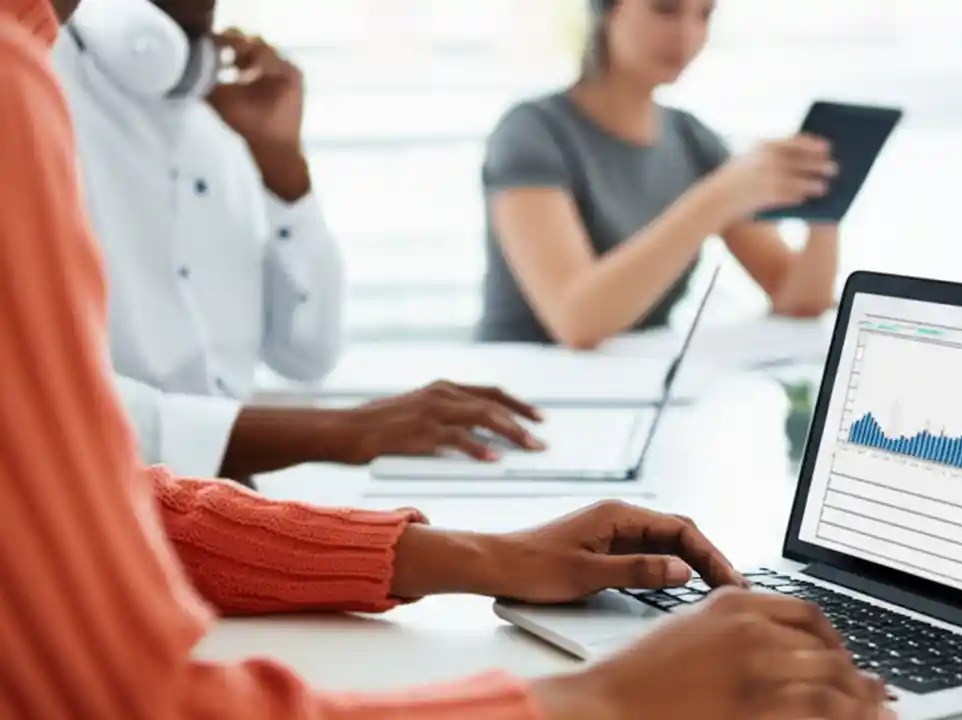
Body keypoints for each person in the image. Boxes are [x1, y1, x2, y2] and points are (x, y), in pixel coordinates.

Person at [0, 1, 897, 717]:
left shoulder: (74, 81)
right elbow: (125, 703)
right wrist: (594, 703)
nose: (687, 33)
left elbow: (124, 502)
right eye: (667, 7)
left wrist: (478, 556)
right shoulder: (17, 86)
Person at [51, 0, 544, 481]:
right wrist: (343, 431)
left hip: (230, 499)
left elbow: (307, 353)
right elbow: (59, 408)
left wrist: (283, 169)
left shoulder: (217, 124)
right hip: (104, 498)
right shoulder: (40, 101)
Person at [480, 0, 842, 349]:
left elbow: (798, 301)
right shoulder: (532, 132)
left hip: (635, 379)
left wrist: (827, 205)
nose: (687, 34)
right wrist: (720, 196)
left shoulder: (692, 139)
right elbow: (576, 321)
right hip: (521, 380)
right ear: (608, 10)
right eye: (665, 8)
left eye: (704, 14)